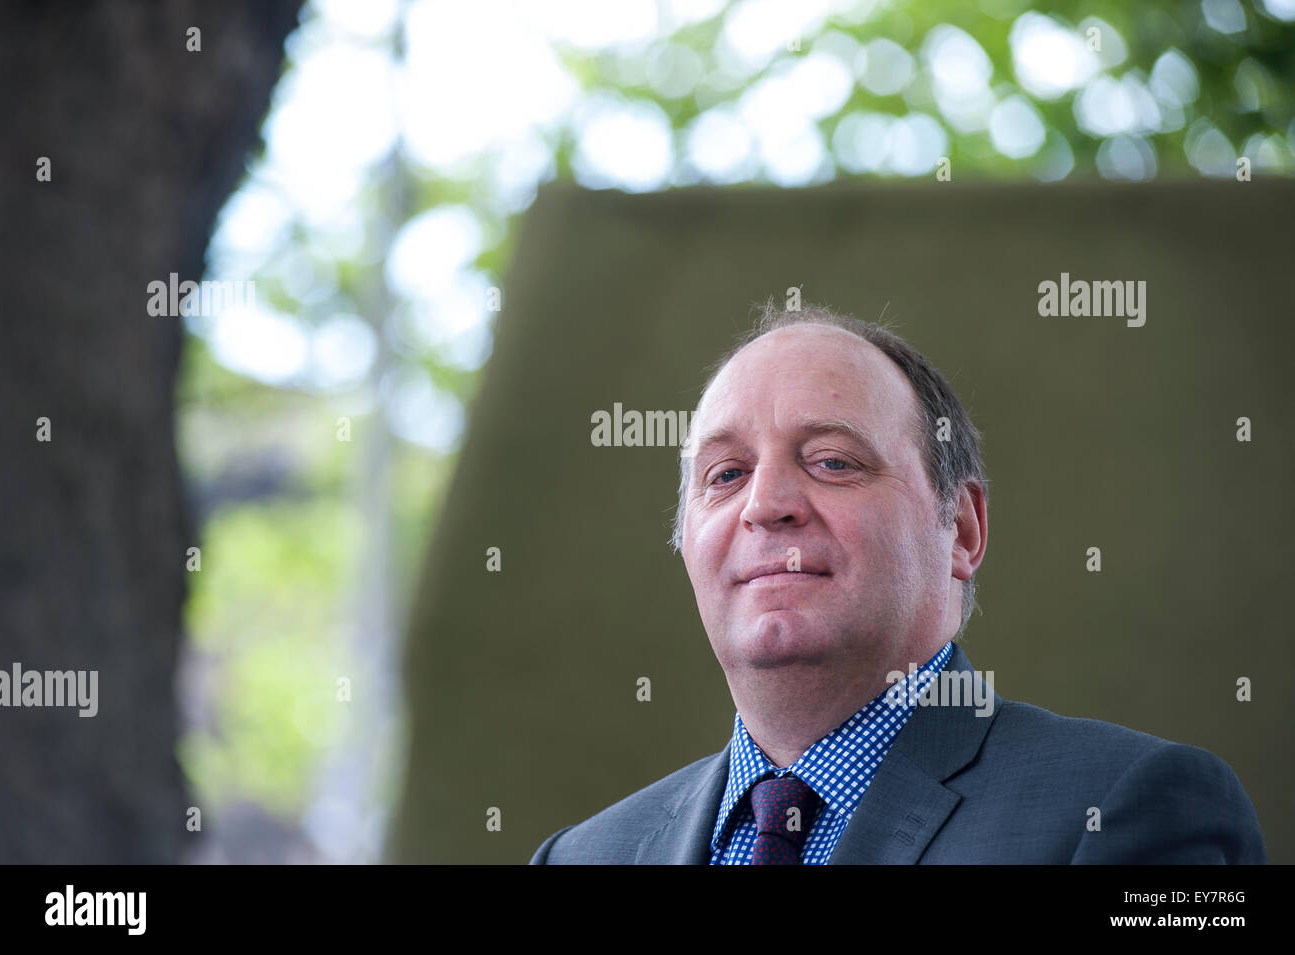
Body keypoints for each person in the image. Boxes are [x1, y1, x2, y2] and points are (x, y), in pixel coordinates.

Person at [530, 302, 1267, 865]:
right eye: (726, 475)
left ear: (963, 529)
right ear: (687, 541)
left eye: (832, 461)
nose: (764, 504)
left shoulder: (1135, 808)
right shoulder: (581, 856)